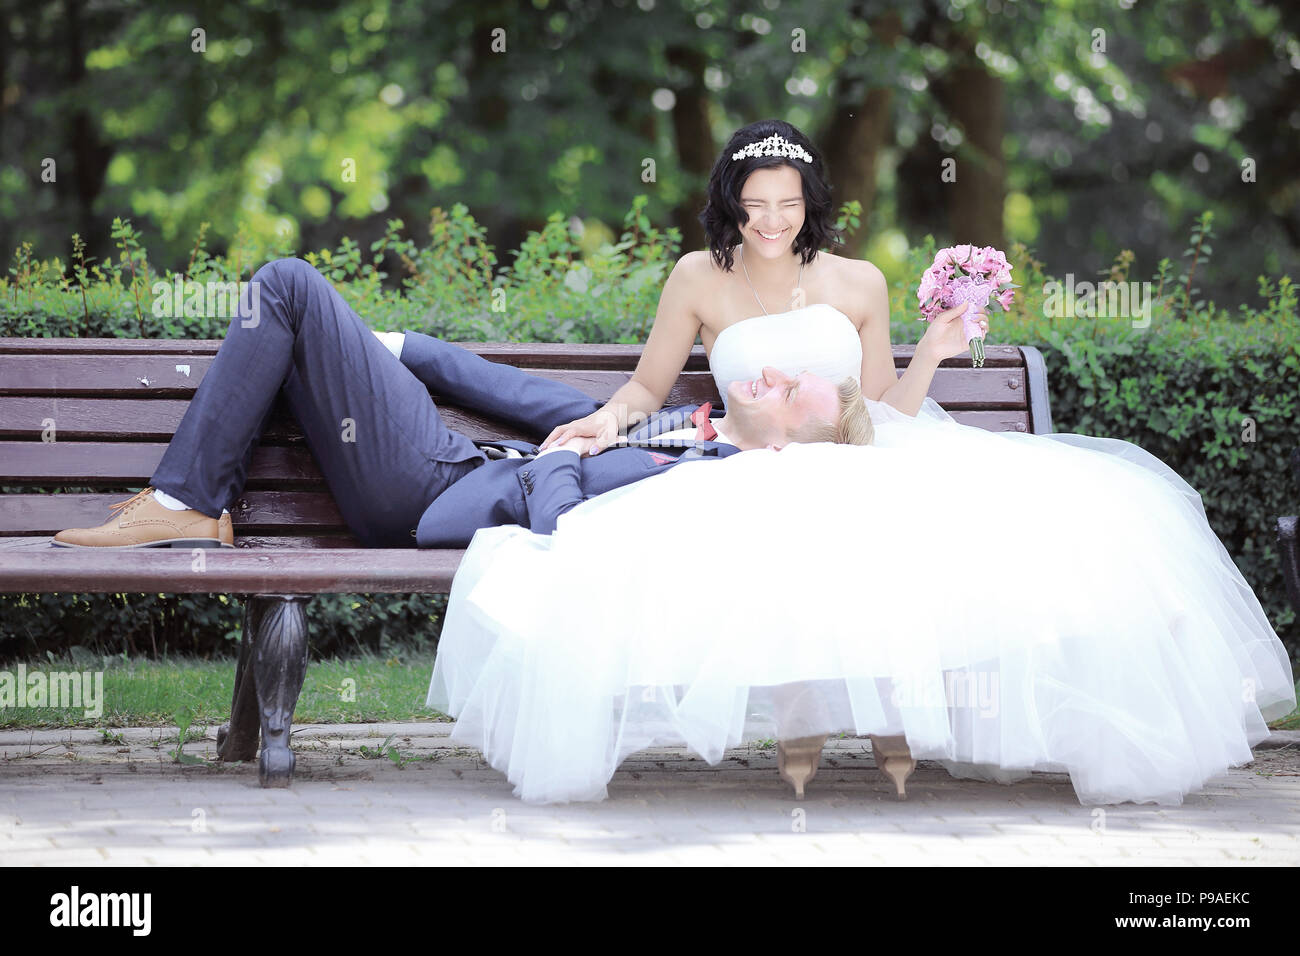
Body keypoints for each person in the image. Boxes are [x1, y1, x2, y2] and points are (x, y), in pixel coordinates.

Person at [428, 120, 1296, 807]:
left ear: (812, 204)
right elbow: (648, 389)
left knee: (1073, 527)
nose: (771, 221)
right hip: (754, 469)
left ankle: (960, 734)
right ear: (730, 202)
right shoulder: (698, 277)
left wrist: (939, 350)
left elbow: (882, 411)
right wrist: (604, 424)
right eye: (755, 203)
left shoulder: (859, 283)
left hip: (861, 460)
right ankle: (829, 737)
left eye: (788, 204)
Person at [51, 255, 871, 551]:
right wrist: (387, 347)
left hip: (432, 491)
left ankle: (185, 502)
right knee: (290, 304)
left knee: (287, 283)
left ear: (788, 448)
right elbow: (518, 394)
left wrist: (558, 462)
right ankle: (187, 502)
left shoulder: (704, 477)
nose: (774, 373)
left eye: (793, 390)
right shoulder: (677, 425)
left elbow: (566, 528)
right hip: (436, 471)